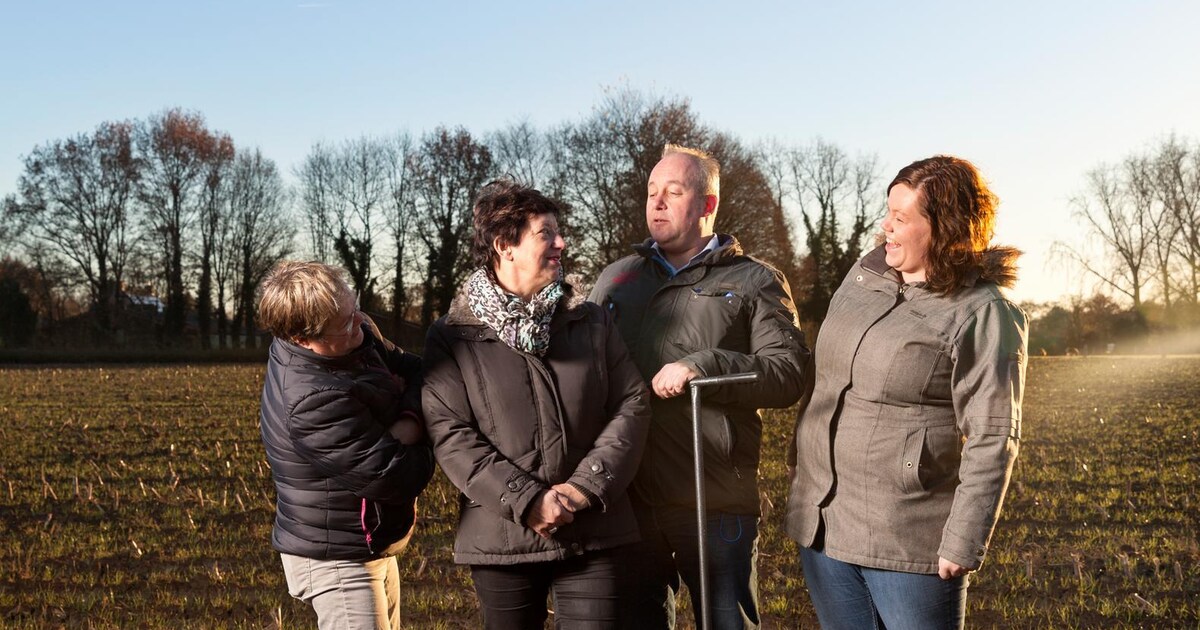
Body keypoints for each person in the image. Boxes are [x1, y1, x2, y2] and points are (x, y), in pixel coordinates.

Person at [785, 155, 1028, 629]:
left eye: (901, 218)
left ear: (945, 228)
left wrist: (963, 540)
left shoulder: (983, 312)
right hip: (824, 524)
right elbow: (822, 380)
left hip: (908, 540)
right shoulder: (865, 277)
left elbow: (994, 434)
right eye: (887, 212)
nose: (886, 227)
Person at [589, 144, 809, 629]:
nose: (657, 203)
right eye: (651, 193)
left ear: (708, 205)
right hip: (631, 496)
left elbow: (789, 372)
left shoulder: (753, 280)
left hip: (713, 499)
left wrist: (703, 367)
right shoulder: (617, 279)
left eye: (673, 191)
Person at [421, 179, 651, 629]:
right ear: (505, 245)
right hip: (502, 537)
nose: (561, 243)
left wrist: (584, 488)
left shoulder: (591, 321)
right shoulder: (453, 336)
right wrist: (527, 501)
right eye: (546, 233)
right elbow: (450, 434)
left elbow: (632, 403)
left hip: (594, 530)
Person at [257, 261, 435, 630]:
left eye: (354, 308)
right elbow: (398, 475)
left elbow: (420, 371)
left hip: (367, 541)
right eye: (345, 323)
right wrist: (420, 423)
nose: (360, 322)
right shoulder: (310, 398)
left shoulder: (353, 335)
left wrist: (407, 423)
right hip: (336, 558)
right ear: (303, 337)